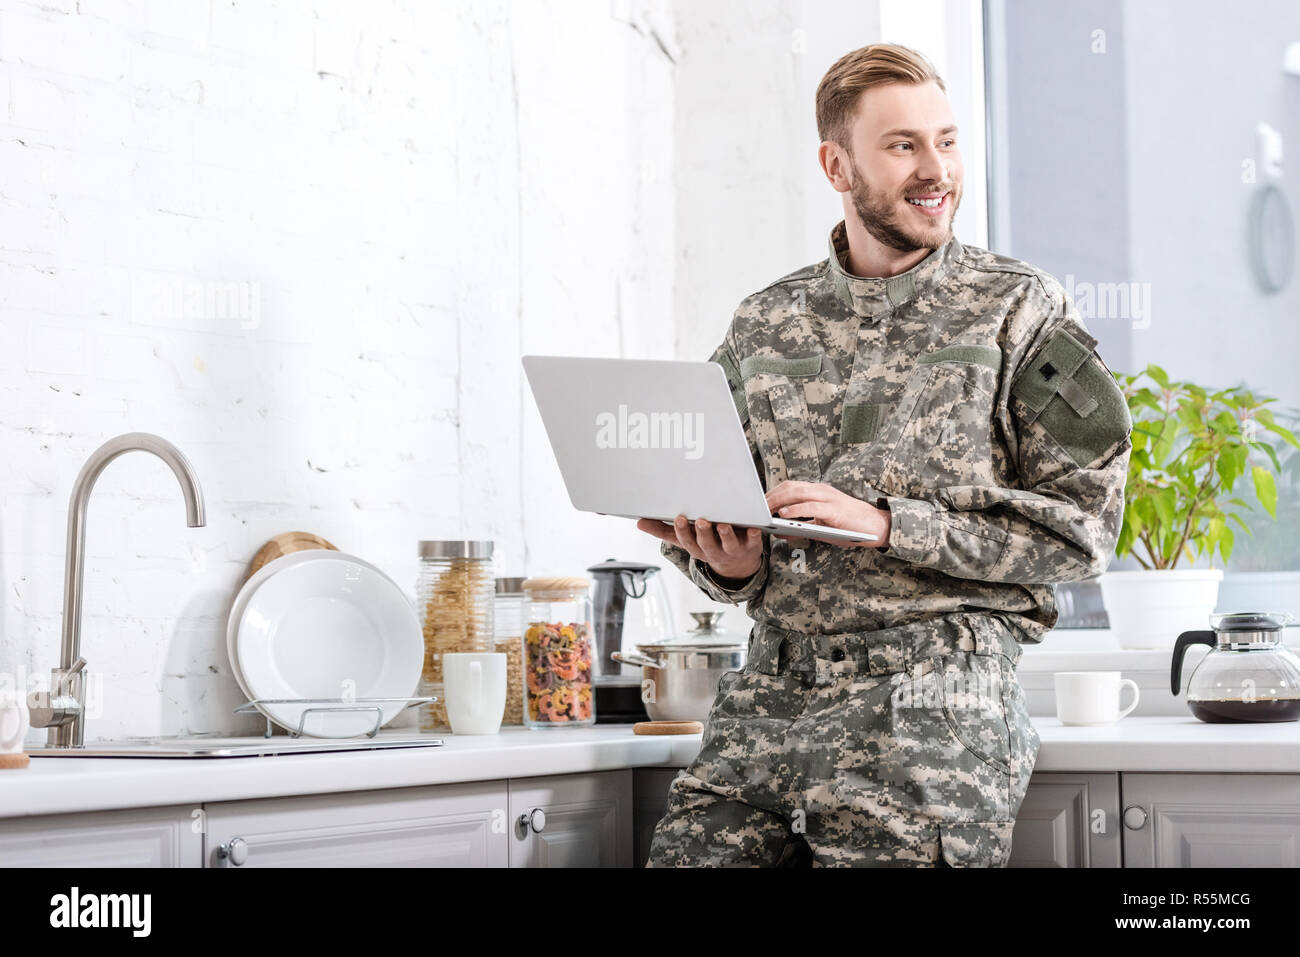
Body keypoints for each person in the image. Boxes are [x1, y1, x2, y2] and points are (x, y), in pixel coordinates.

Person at [636, 42, 1132, 867]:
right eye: (904, 145)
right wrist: (726, 563)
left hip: (933, 703)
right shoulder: (763, 326)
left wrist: (887, 525)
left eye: (946, 140)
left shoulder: (1017, 308)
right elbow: (720, 510)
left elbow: (1082, 531)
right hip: (767, 699)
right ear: (837, 164)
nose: (936, 169)